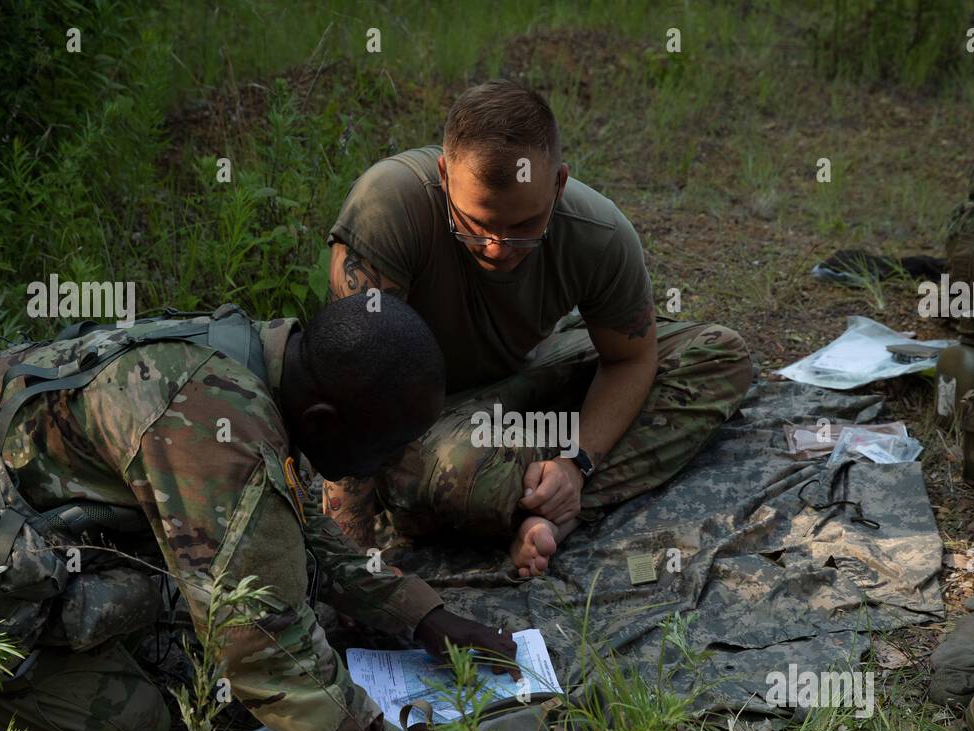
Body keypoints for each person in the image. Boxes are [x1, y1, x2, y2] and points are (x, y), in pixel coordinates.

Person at [0, 294, 515, 731]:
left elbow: (283, 518)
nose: (378, 470)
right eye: (381, 451)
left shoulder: (243, 355)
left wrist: (417, 610)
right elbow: (265, 649)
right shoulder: (216, 427)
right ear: (324, 420)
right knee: (130, 725)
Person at [321, 79, 754, 578]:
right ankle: (517, 496)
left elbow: (630, 358)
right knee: (461, 470)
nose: (498, 248)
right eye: (475, 225)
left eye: (525, 226)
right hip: (421, 416)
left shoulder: (599, 233)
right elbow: (351, 386)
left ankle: (551, 504)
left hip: (524, 382)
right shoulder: (389, 207)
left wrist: (577, 465)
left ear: (559, 184)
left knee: (718, 354)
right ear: (444, 176)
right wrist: (351, 567)